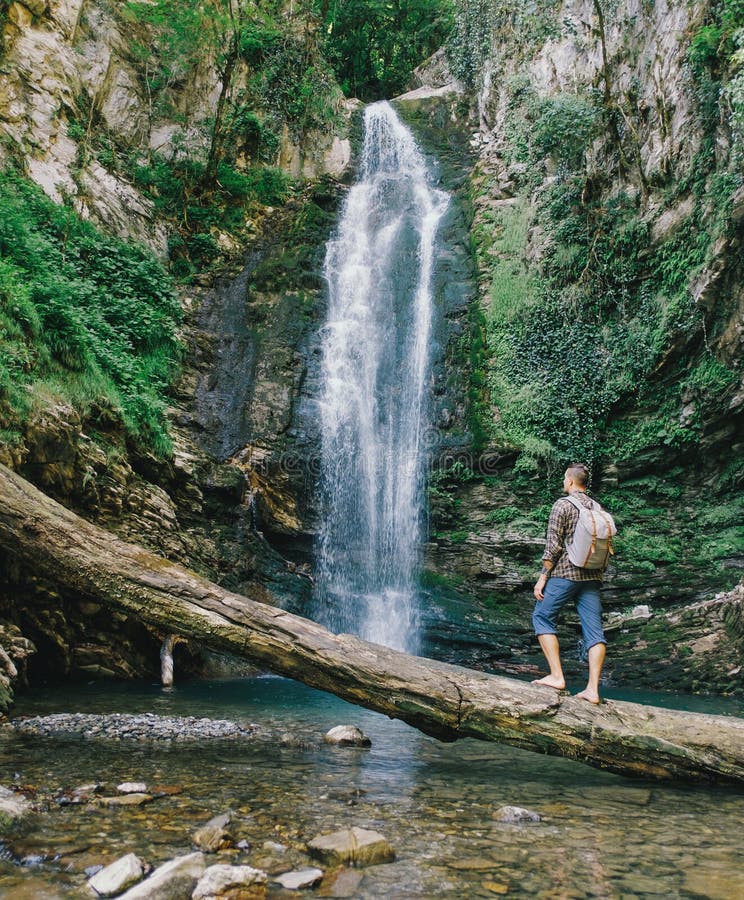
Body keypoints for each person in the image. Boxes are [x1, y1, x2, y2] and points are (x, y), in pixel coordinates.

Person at [532, 463, 607, 703]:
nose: (564, 482)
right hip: (592, 576)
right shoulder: (597, 507)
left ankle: (557, 676)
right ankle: (593, 690)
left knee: (542, 617)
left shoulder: (562, 505)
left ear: (571, 482)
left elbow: (553, 546)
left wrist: (543, 576)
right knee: (594, 632)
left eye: (565, 479)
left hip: (566, 573)